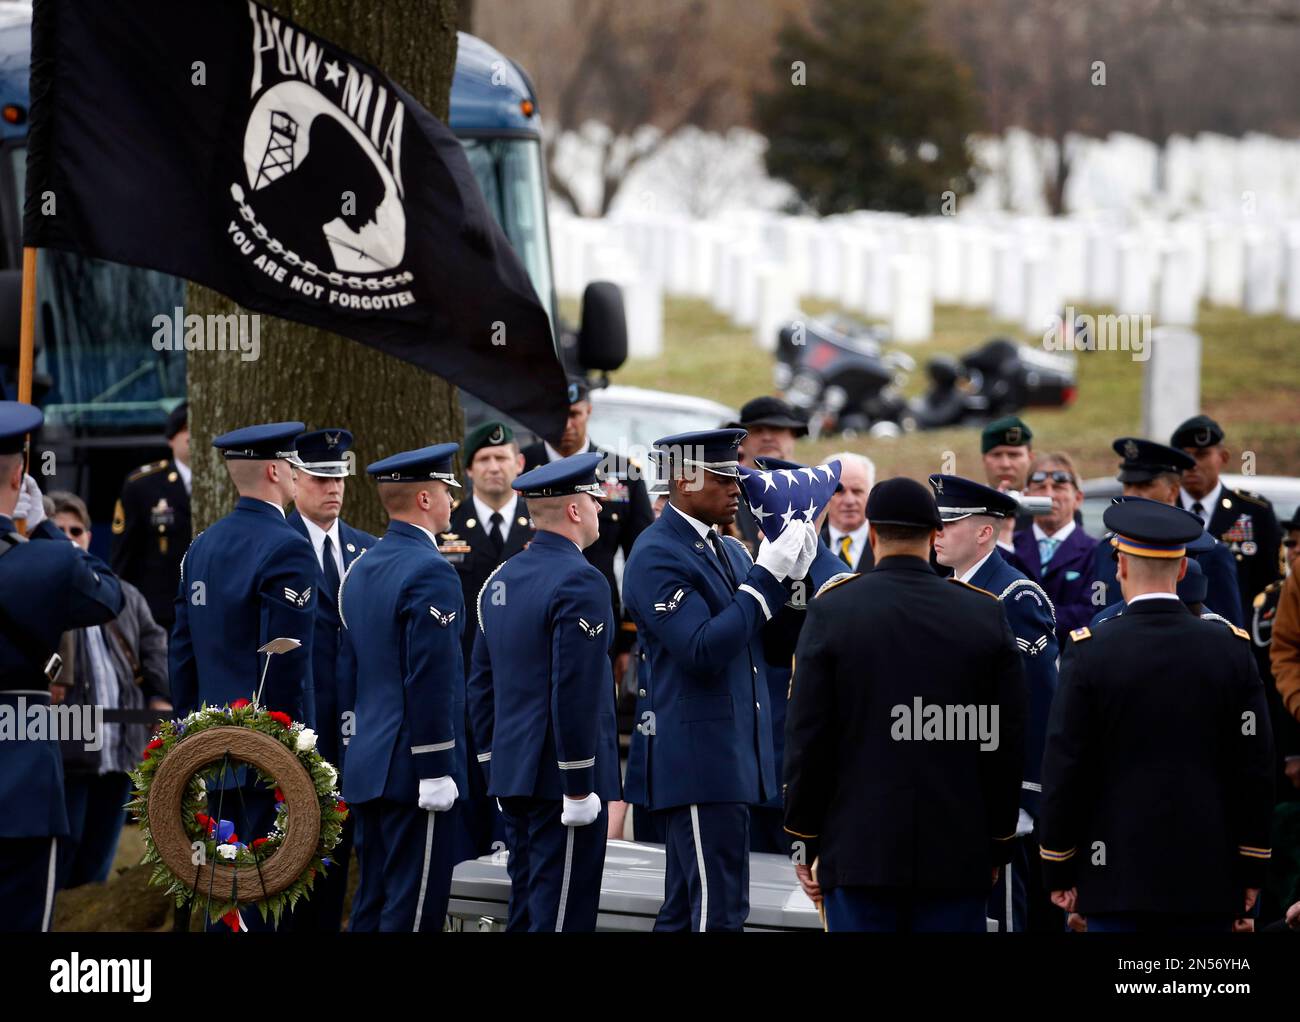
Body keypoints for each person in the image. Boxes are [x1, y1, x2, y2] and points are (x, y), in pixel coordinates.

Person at [783, 477, 1027, 932]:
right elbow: (1005, 745)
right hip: (957, 853)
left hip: (858, 852)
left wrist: (804, 840)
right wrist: (996, 844)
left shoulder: (833, 609)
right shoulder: (984, 613)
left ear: (873, 534)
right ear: (934, 534)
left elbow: (808, 738)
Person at [1040, 499, 1274, 933]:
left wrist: (1060, 866)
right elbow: (1254, 770)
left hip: (1114, 877)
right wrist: (1252, 869)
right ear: (1183, 571)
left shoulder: (1090, 649)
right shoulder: (1231, 649)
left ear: (1120, 568)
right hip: (1209, 879)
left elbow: (1065, 767)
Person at [622, 428, 818, 931]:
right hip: (698, 761)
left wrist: (793, 578)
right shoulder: (657, 552)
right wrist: (764, 580)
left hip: (730, 758)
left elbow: (771, 648)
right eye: (725, 475)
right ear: (685, 479)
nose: (739, 486)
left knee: (691, 909)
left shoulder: (728, 551)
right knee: (717, 910)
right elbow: (702, 648)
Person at [468, 451, 621, 931]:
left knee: (528, 908)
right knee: (561, 917)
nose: (600, 509)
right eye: (594, 501)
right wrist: (578, 784)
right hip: (562, 780)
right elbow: (574, 690)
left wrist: (495, 764)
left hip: (517, 773)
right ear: (575, 510)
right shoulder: (582, 579)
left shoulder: (501, 579)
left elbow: (482, 683)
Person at [0, 403, 124, 932]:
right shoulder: (48, 562)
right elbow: (107, 595)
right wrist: (48, 528)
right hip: (21, 780)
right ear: (20, 472)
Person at [338, 443, 468, 932]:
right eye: (446, 490)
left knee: (373, 900)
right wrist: (436, 766)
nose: (452, 501)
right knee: (414, 909)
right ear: (425, 500)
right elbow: (431, 678)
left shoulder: (361, 567)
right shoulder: (431, 570)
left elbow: (353, 669)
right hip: (415, 768)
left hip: (371, 761)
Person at [48, 491, 170, 891]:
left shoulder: (121, 591)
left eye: (77, 530)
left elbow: (154, 643)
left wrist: (159, 695)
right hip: (67, 750)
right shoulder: (37, 590)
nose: (69, 537)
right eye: (59, 529)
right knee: (63, 858)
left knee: (99, 864)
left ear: (88, 537)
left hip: (121, 747)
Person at [284, 428, 375, 932]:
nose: (333, 487)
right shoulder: (280, 545)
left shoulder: (367, 550)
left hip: (360, 733)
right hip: (299, 729)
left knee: (340, 873)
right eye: (321, 478)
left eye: (340, 476)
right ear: (294, 479)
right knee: (291, 868)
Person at [442, 420, 535, 858]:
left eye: (502, 457)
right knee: (471, 808)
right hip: (466, 690)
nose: (494, 466)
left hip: (526, 691)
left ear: (519, 463)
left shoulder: (541, 523)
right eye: (484, 459)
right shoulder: (446, 528)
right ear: (469, 470)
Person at [522, 379, 653, 683]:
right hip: (528, 617)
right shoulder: (518, 467)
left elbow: (640, 559)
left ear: (588, 411)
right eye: (556, 415)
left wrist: (628, 638)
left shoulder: (622, 471)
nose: (565, 424)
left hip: (598, 619)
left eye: (574, 414)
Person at [1090, 437, 1243, 626]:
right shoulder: (1106, 548)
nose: (1133, 494)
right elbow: (1099, 615)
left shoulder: (1209, 553)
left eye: (1145, 485)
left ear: (1172, 491)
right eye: (1128, 485)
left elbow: (1225, 631)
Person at [1172, 414, 1283, 613]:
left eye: (1201, 454)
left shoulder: (1255, 511)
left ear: (1223, 457)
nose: (1192, 464)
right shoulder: (1164, 512)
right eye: (1185, 455)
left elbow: (1273, 585)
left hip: (1238, 633)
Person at [111, 402, 191, 630]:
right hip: (161, 614)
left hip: (213, 609)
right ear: (171, 438)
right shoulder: (142, 485)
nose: (191, 435)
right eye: (184, 428)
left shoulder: (230, 481)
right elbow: (123, 555)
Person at [1009, 453, 1097, 646]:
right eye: (1040, 488)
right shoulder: (1009, 547)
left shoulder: (1097, 553)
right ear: (1026, 497)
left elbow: (1091, 613)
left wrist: (1025, 615)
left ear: (1078, 498)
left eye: (1058, 487)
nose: (1049, 494)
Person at [728, 396, 809, 556]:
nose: (767, 437)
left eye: (776, 428)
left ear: (793, 434)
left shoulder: (815, 487)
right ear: (742, 441)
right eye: (757, 430)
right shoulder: (728, 489)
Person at [820, 450, 875, 572]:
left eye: (857, 491)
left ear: (870, 494)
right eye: (840, 491)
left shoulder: (888, 547)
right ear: (824, 495)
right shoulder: (808, 549)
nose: (849, 501)